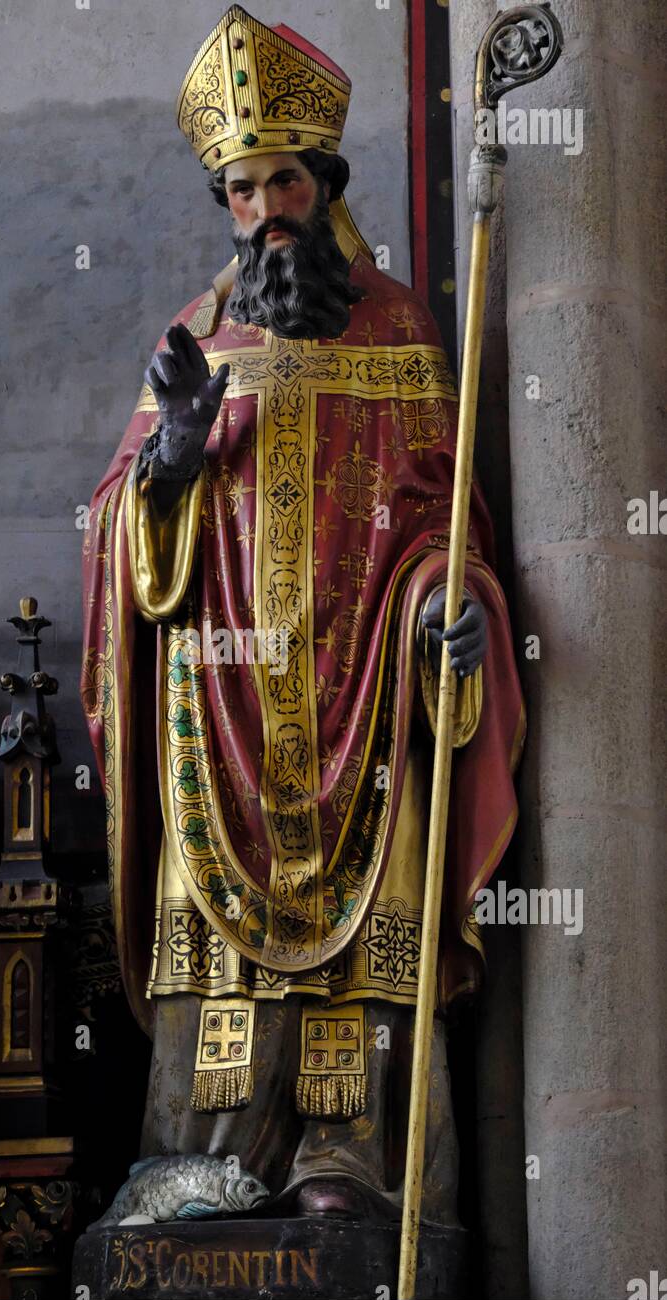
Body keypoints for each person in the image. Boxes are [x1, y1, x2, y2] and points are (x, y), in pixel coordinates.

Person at [81, 4, 524, 1223]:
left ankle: (357, 1173)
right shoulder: (191, 339)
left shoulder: (400, 334)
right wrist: (168, 457)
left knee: (361, 982)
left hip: (363, 713)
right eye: (240, 187)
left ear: (324, 179)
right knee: (208, 992)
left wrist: (449, 606)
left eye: (284, 178)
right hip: (211, 717)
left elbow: (447, 526)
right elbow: (118, 533)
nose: (265, 207)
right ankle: (199, 1167)